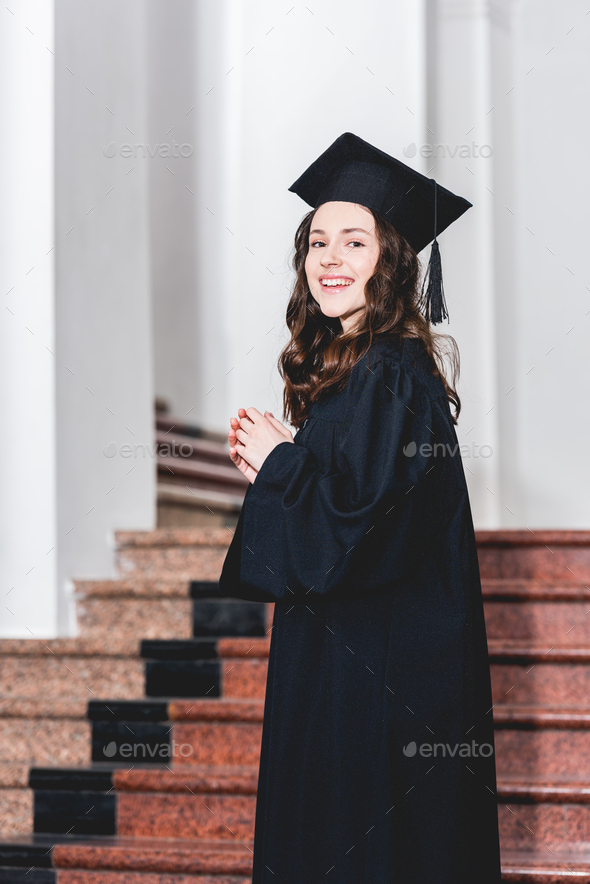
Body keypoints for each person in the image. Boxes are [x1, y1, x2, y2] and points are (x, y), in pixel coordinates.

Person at [219, 132, 502, 883]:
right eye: (318, 242)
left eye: (354, 240)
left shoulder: (391, 376)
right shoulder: (359, 372)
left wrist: (280, 465)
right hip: (351, 666)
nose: (330, 259)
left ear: (392, 260)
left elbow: (367, 532)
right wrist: (283, 465)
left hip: (378, 686)